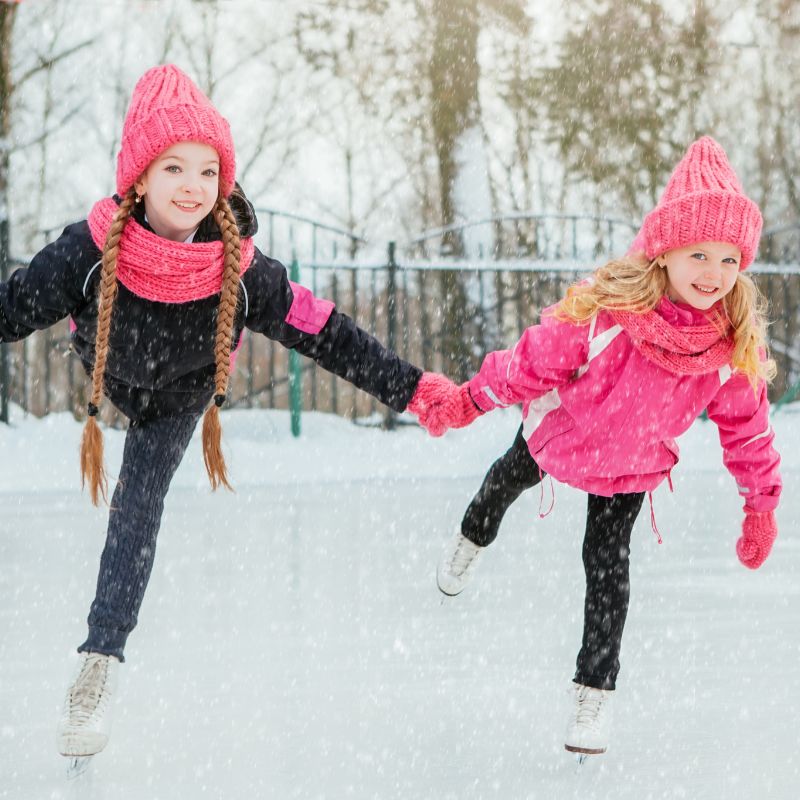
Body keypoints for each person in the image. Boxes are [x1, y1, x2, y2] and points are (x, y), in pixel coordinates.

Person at [0, 64, 441, 761]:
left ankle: (98, 663)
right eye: (173, 166)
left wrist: (411, 390)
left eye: (208, 172)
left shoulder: (241, 268)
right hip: (110, 368)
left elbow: (325, 331)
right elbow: (14, 307)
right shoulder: (87, 251)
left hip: (182, 395)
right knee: (132, 489)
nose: (191, 185)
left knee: (137, 502)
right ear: (138, 179)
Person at [407, 137, 782, 757]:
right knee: (502, 485)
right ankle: (471, 538)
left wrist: (760, 504)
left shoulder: (730, 344)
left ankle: (594, 692)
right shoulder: (608, 313)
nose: (713, 274)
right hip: (563, 434)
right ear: (663, 252)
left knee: (606, 568)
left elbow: (749, 429)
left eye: (728, 259)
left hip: (633, 466)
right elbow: (530, 362)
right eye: (698, 254)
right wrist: (471, 399)